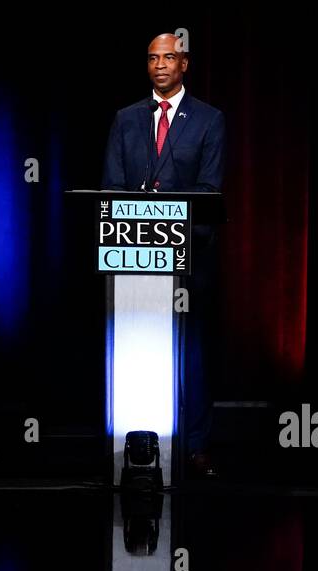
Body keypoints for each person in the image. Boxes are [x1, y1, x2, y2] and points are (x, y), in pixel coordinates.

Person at [103, 33, 225, 479]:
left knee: (191, 353)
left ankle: (194, 447)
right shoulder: (126, 119)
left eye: (169, 57)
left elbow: (210, 192)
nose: (160, 65)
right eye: (153, 58)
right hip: (133, 260)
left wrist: (167, 215)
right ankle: (129, 444)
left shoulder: (209, 120)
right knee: (135, 344)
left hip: (189, 261)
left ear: (185, 64)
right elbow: (111, 191)